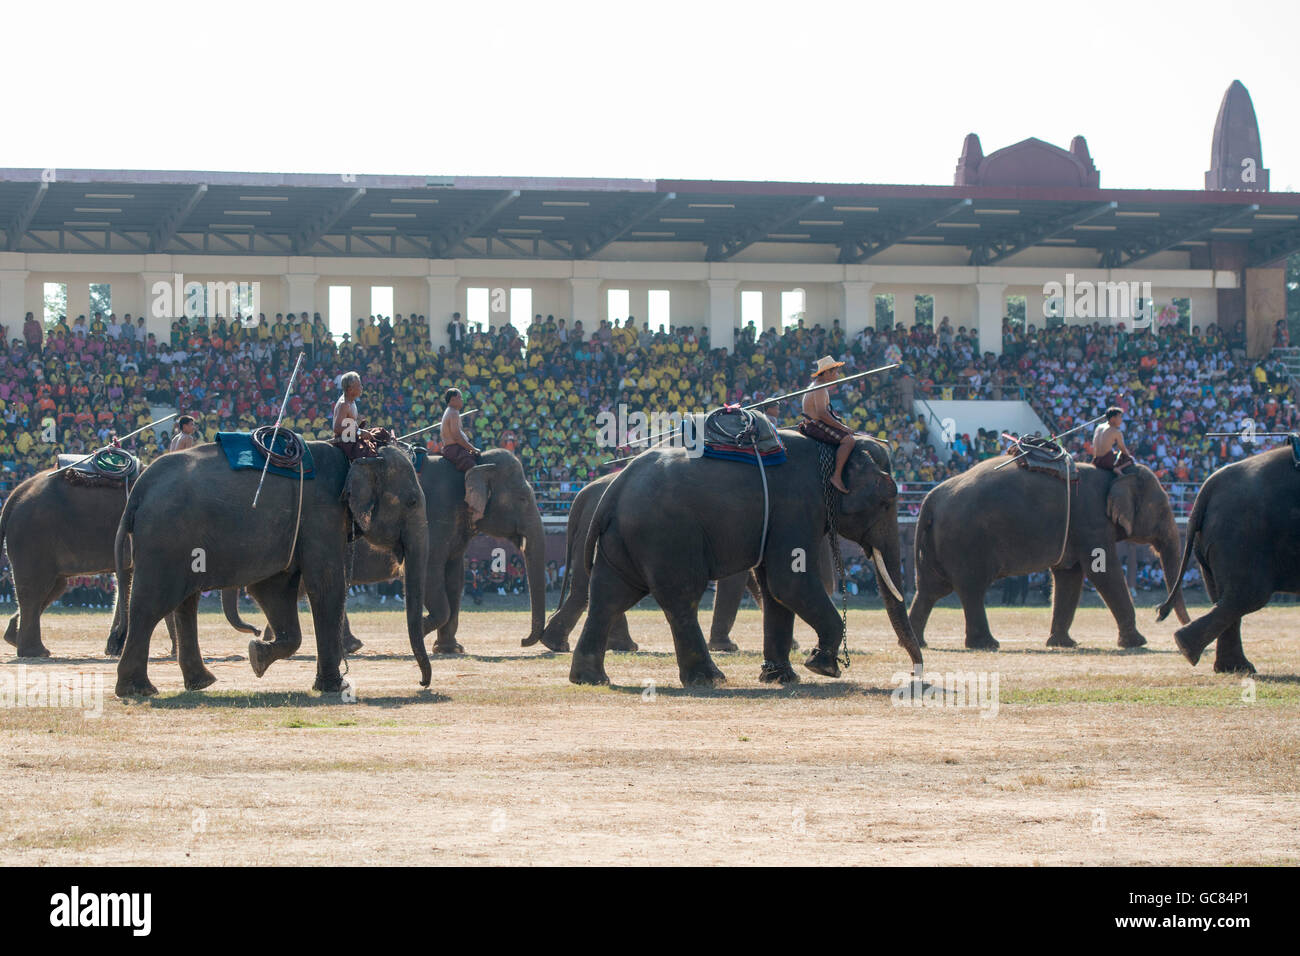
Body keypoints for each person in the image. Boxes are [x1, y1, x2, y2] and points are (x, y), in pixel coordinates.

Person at [799, 355, 855, 493]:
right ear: (827, 372)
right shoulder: (819, 387)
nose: (837, 375)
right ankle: (836, 476)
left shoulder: (819, 386)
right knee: (848, 441)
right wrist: (843, 428)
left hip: (816, 422)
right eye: (835, 372)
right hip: (815, 425)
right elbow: (822, 414)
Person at [333, 371, 373, 460]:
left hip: (352, 437)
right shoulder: (344, 404)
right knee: (370, 455)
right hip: (345, 442)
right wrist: (359, 432)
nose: (362, 387)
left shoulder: (352, 400)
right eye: (359, 385)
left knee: (380, 434)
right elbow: (337, 428)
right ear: (350, 389)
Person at [440, 388, 480, 472]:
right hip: (454, 450)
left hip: (457, 448)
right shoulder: (453, 412)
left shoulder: (453, 412)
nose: (462, 400)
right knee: (473, 469)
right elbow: (457, 437)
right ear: (452, 399)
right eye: (460, 397)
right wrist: (473, 449)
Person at [1092, 406, 1134, 473]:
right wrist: (1128, 456)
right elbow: (1122, 448)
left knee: (1115, 453)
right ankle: (1118, 468)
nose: (1121, 420)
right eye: (1119, 417)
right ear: (1112, 418)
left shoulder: (1099, 427)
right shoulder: (1116, 431)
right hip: (1106, 462)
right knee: (1130, 460)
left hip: (1096, 460)